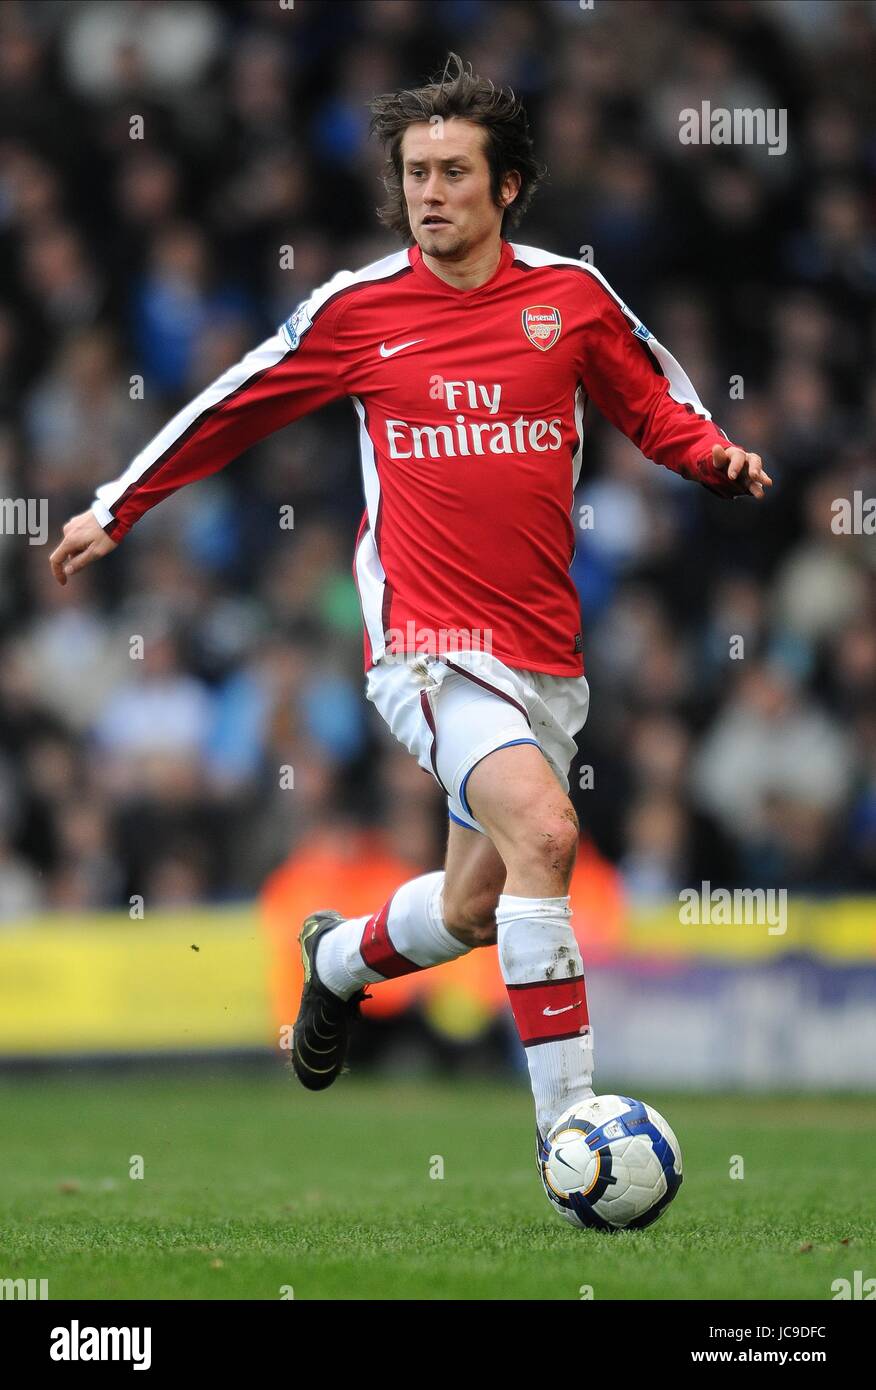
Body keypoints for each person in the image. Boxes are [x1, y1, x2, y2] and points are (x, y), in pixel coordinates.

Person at [49, 54, 771, 1173]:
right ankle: (572, 1135)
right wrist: (118, 505)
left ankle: (338, 963)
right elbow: (234, 403)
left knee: (481, 905)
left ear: (507, 186)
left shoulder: (571, 301)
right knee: (548, 833)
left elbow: (654, 402)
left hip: (544, 651)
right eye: (415, 173)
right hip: (424, 647)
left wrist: (712, 458)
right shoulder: (359, 310)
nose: (429, 192)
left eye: (453, 172)